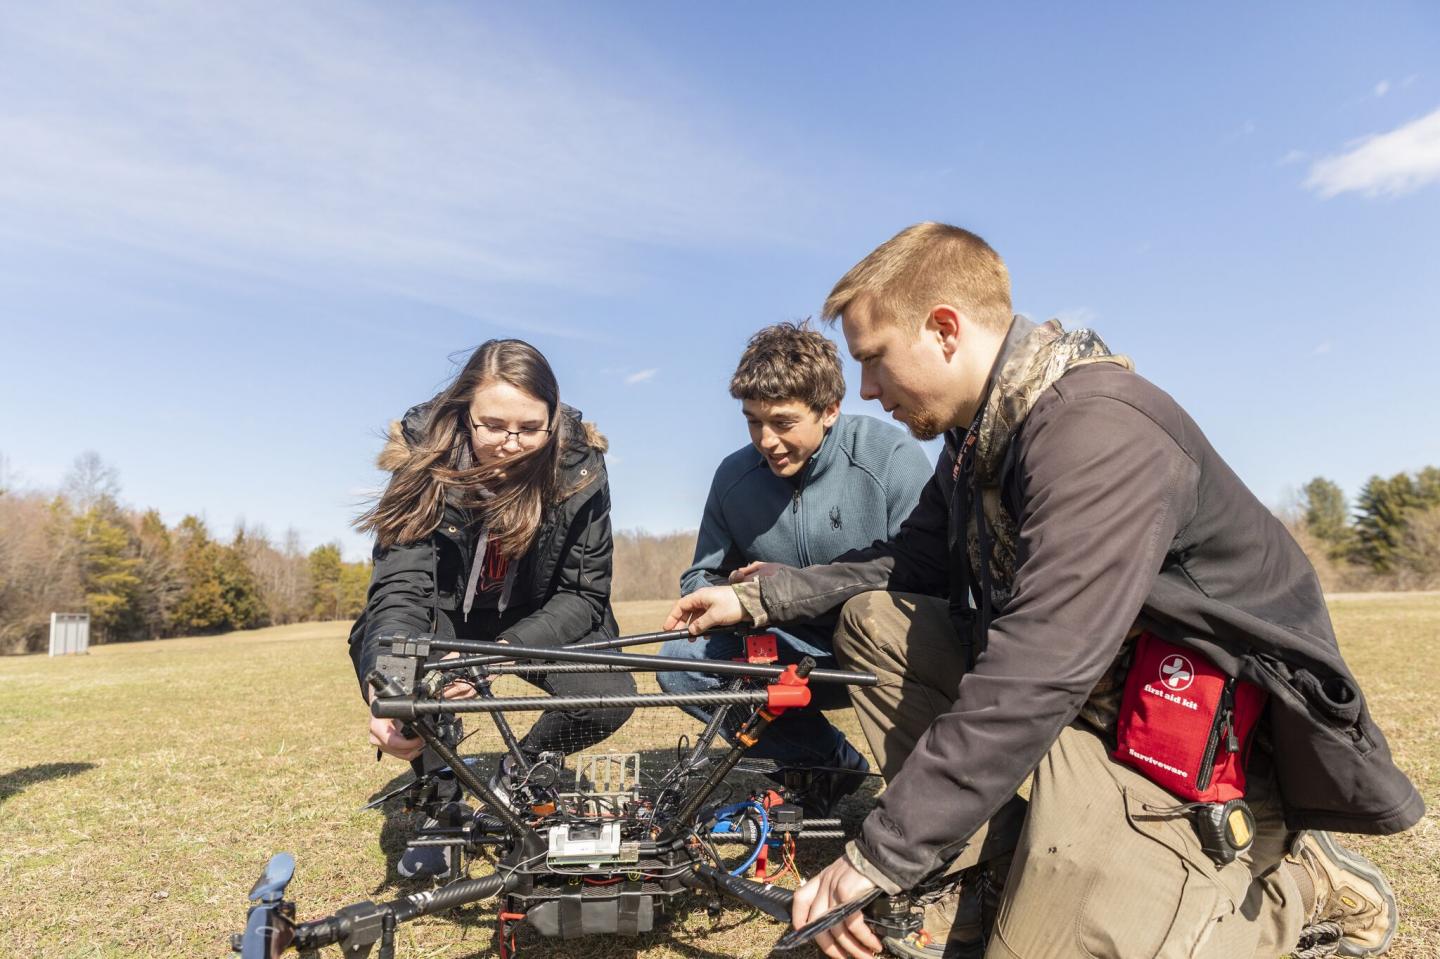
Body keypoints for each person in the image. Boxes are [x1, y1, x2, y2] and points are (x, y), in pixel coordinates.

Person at [665, 224, 1422, 959]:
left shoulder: (1097, 431)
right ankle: (993, 852)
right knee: (875, 621)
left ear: (944, 329)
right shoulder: (976, 441)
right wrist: (758, 600)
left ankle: (1298, 881)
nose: (865, 387)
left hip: (1192, 743)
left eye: (874, 358)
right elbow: (905, 566)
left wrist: (881, 852)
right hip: (1088, 713)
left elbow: (1038, 666)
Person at [349, 338, 634, 879]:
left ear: (552, 421)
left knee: (607, 698)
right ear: (464, 415)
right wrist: (390, 690)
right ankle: (442, 797)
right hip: (445, 616)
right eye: (493, 426)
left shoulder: (581, 469)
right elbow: (402, 587)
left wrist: (499, 656)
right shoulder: (422, 460)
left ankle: (520, 772)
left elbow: (584, 594)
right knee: (406, 677)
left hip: (536, 615)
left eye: (529, 429)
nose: (510, 443)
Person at [656, 322, 931, 814]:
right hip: (789, 650)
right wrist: (736, 589)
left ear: (829, 410)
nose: (767, 440)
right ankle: (827, 763)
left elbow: (925, 577)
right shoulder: (732, 478)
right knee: (681, 664)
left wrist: (792, 586)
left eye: (782, 422)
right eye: (752, 422)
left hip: (885, 649)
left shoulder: (891, 458)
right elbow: (700, 578)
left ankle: (923, 793)